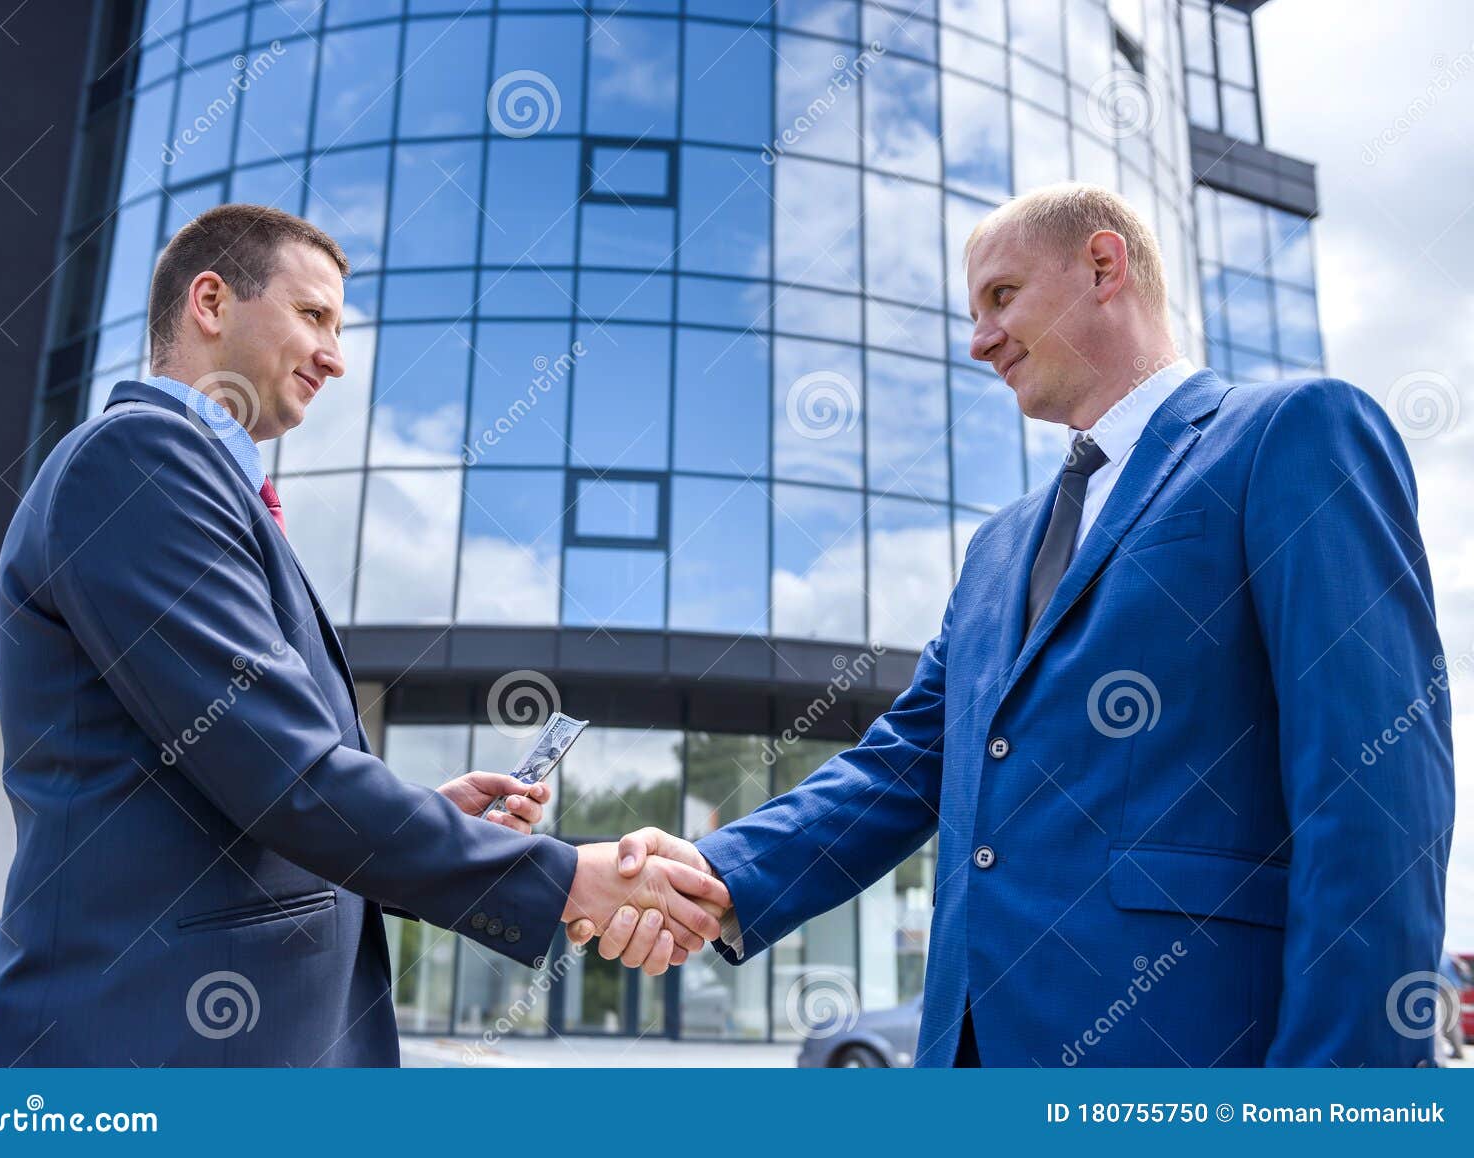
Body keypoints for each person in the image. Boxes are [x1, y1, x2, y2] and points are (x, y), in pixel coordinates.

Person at [570, 183, 1454, 1068]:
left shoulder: (1289, 435)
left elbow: (1375, 792)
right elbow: (905, 764)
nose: (979, 339)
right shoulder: (999, 546)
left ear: (1103, 267)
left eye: (1002, 297)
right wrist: (715, 874)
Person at [0, 205, 725, 1067]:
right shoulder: (137, 463)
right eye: (313, 316)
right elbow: (288, 778)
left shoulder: (197, 484)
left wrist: (432, 816)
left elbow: (270, 783)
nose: (336, 358)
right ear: (211, 301)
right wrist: (567, 877)